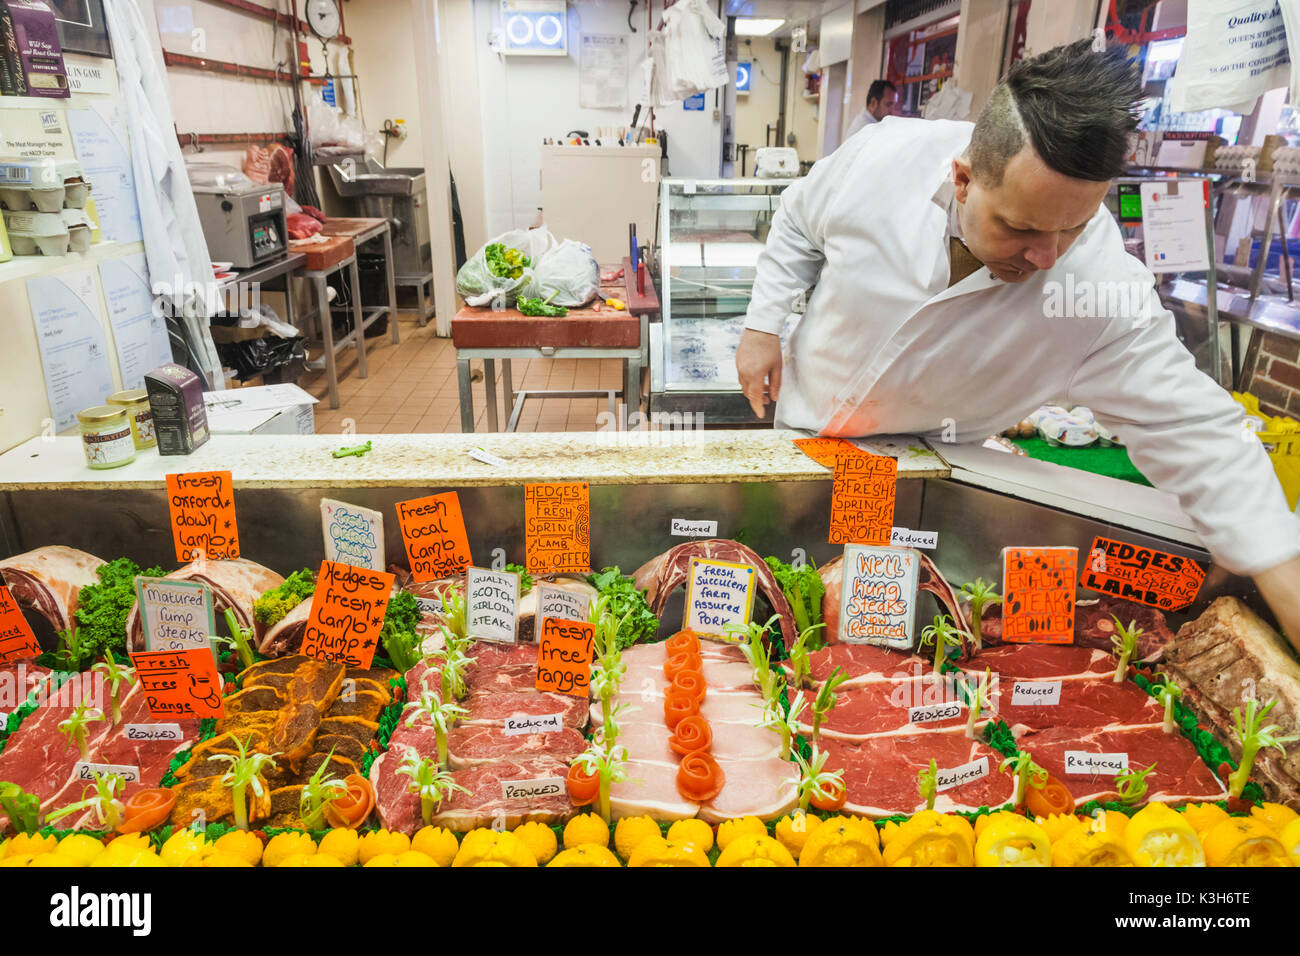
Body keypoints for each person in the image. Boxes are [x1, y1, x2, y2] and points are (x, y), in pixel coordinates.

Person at [734, 40, 1300, 647]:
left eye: (1073, 229)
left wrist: (1278, 565)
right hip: (805, 438)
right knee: (785, 604)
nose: (1045, 257)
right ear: (963, 179)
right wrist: (762, 324)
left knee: (868, 643)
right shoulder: (883, 158)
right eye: (1021, 227)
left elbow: (1201, 433)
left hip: (936, 471)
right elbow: (797, 219)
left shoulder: (1099, 288)